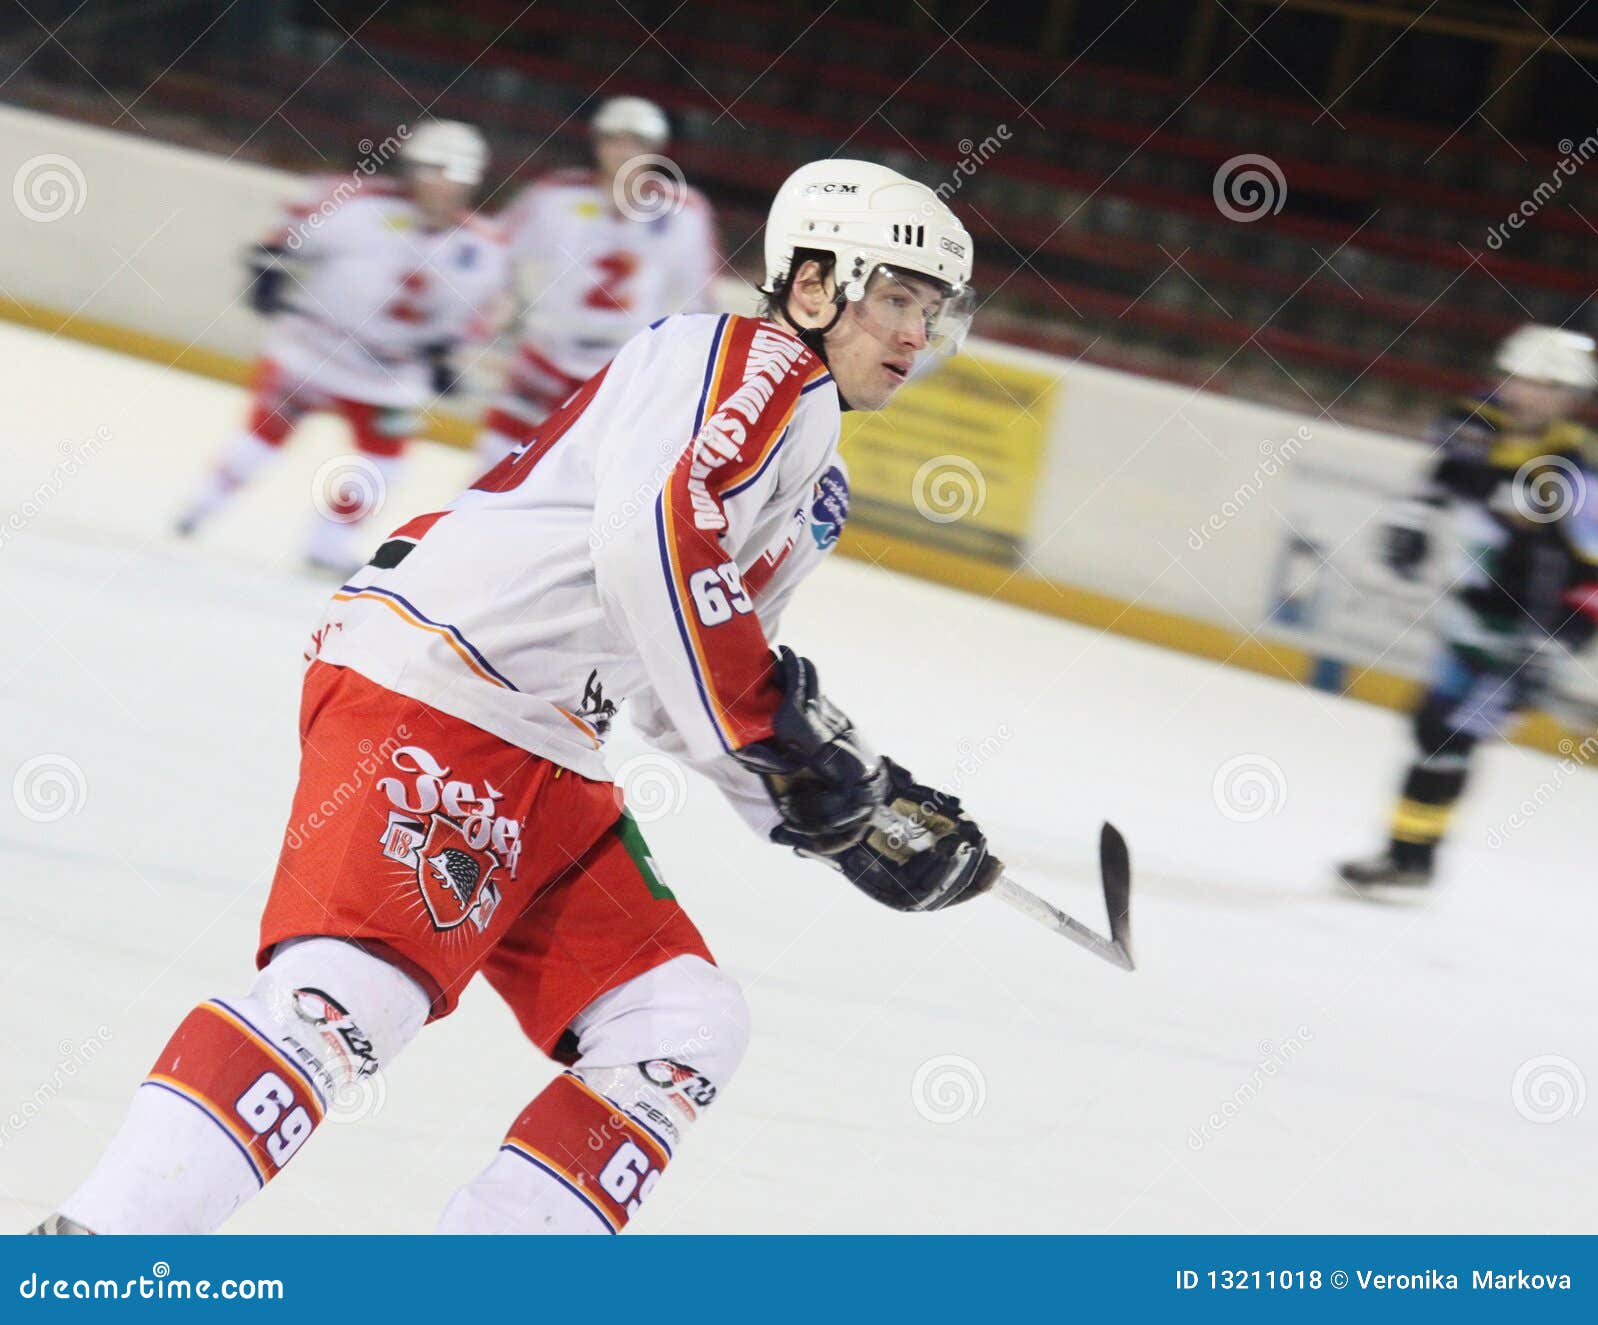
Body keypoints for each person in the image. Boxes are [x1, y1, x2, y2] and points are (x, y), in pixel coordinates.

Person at [35, 159, 993, 1236]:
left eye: (932, 310)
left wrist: (850, 811)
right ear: (812, 285)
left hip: (549, 740)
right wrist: (788, 739)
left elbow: (680, 672)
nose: (915, 333)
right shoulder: (751, 362)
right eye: (896, 297)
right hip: (452, 680)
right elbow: (654, 543)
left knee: (681, 1020)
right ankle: (89, 1258)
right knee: (355, 992)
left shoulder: (816, 485)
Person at [176, 120, 509, 573]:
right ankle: (201, 507)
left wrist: (446, 352)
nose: (440, 184)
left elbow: (483, 312)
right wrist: (267, 272)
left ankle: (328, 544)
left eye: (453, 174)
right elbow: (282, 240)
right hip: (313, 351)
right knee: (260, 439)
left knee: (383, 467)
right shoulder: (356, 204)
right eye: (431, 170)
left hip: (391, 373)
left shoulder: (483, 246)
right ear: (410, 168)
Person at [1339, 324, 1598, 892]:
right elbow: (1444, 478)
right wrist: (1413, 519)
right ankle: (1410, 857)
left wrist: (1559, 640)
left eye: (1548, 385)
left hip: (1526, 629)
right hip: (1471, 613)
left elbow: (1593, 571)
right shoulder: (1473, 422)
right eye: (1521, 378)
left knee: (1446, 731)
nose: (1528, 393)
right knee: (1433, 728)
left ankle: (1410, 860)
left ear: (1572, 397)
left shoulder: (1579, 468)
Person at [474, 95, 719, 473]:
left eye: (636, 142)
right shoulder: (555, 194)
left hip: (620, 371)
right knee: (494, 467)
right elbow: (492, 249)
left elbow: (698, 299)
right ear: (597, 143)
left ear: (657, 149)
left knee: (585, 482)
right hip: (545, 356)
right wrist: (494, 310)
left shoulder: (684, 212)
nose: (624, 152)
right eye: (614, 140)